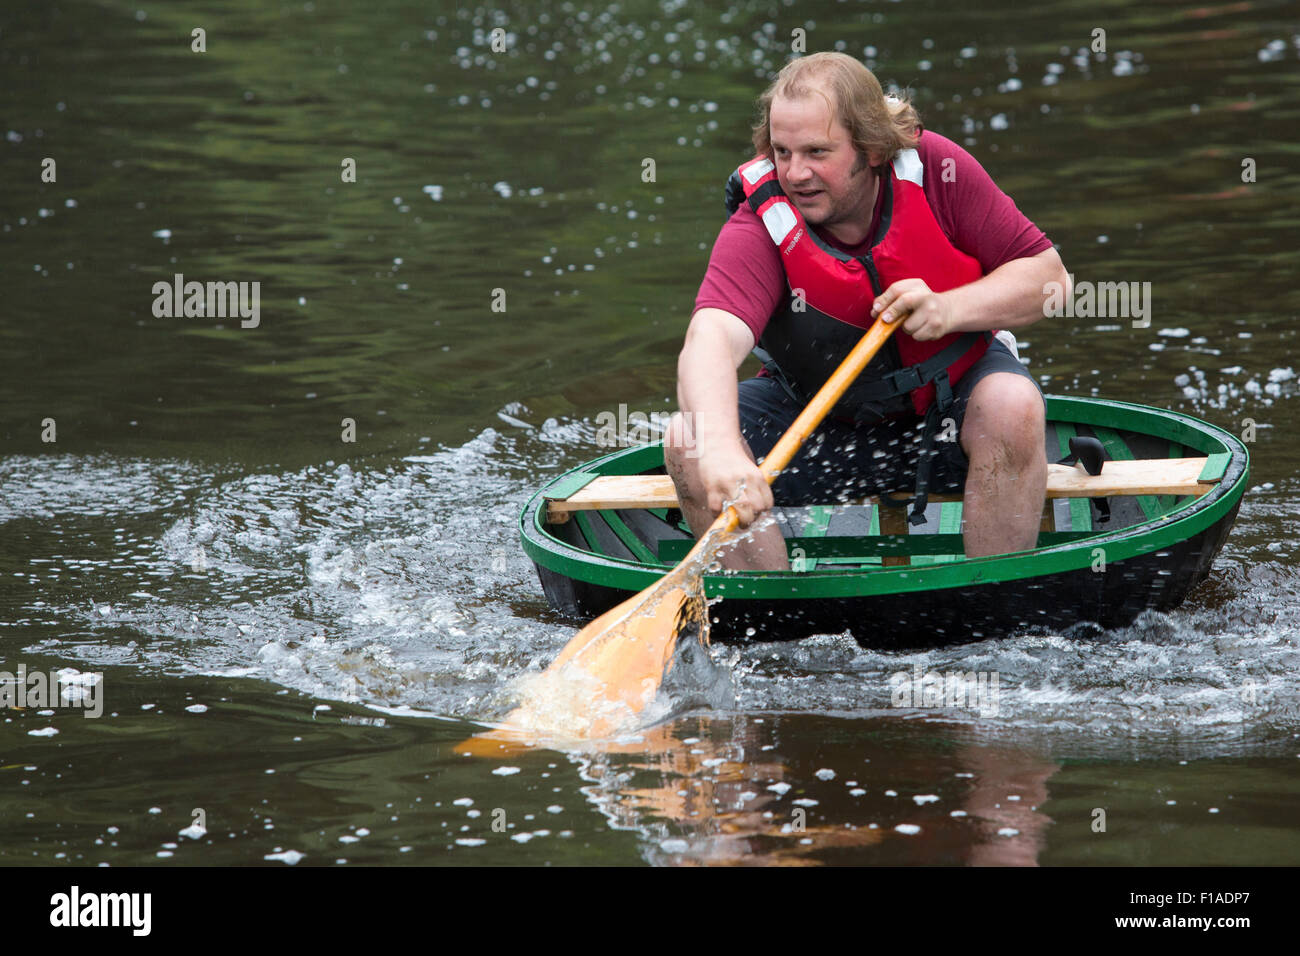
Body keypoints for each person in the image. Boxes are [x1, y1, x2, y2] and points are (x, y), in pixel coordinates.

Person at [663, 52, 1070, 569]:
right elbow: (711, 339)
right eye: (782, 152)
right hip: (818, 426)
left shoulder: (938, 172)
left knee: (1014, 405)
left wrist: (948, 308)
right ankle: (779, 626)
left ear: (873, 148)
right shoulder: (761, 223)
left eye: (817, 152)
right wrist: (722, 451)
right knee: (689, 439)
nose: (795, 173)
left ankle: (993, 601)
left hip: (946, 418)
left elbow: (1050, 279)